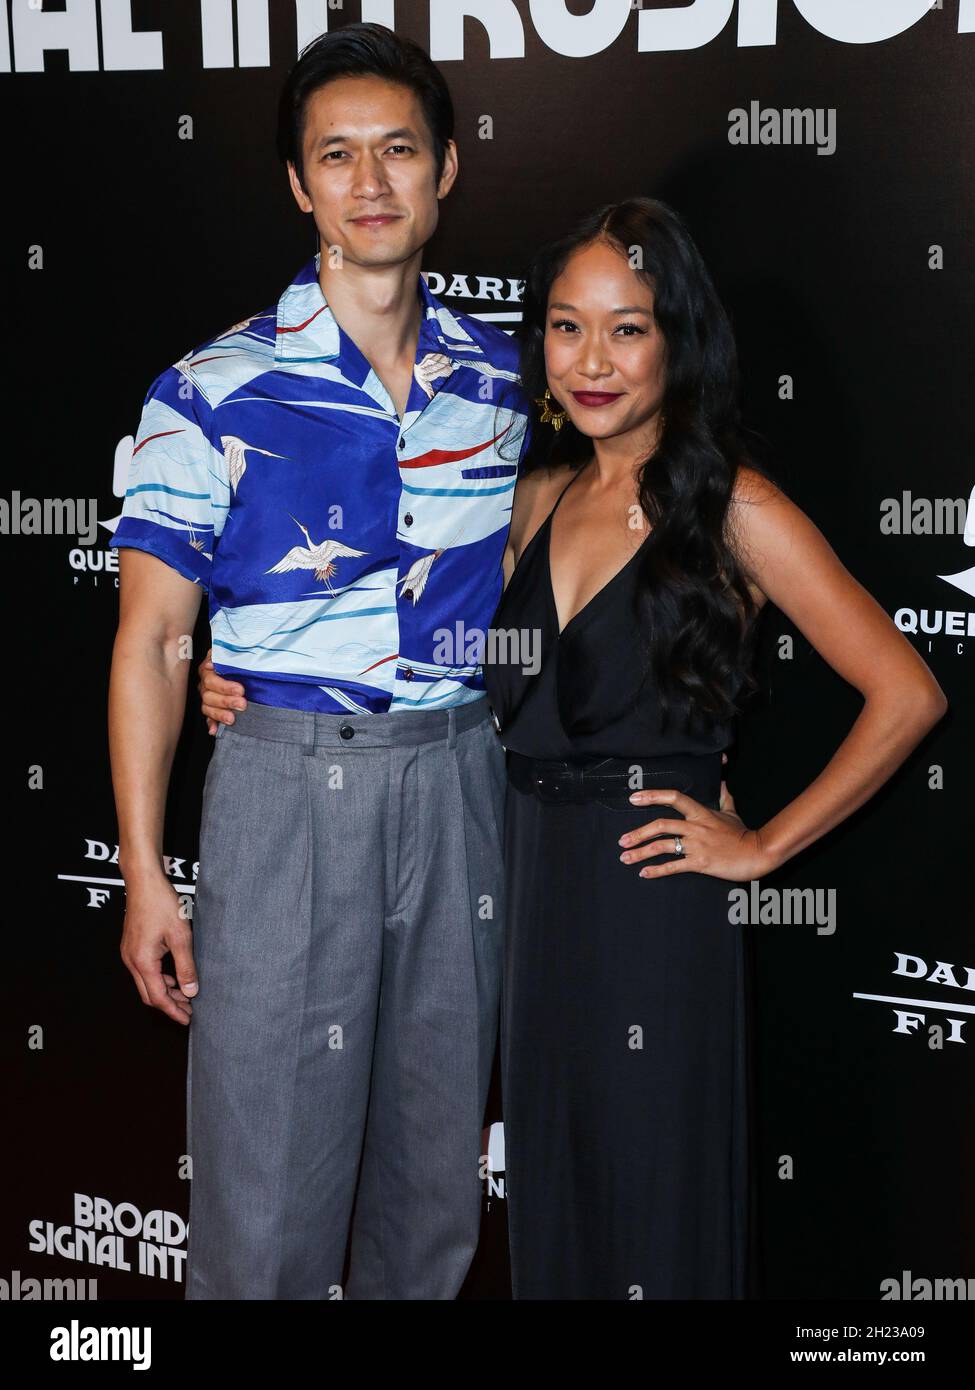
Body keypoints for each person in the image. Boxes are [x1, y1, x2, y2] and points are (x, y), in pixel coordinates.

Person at [205, 196, 948, 1300]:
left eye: (627, 327)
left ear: (677, 339)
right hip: (528, 891)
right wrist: (255, 678)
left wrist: (764, 844)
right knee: (557, 1197)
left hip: (655, 908)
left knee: (653, 1199)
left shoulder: (737, 508)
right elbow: (412, 629)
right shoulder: (533, 496)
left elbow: (907, 692)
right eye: (565, 326)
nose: (591, 359)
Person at [108, 23, 531, 1300]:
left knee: (432, 1196)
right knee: (267, 1204)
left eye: (398, 149)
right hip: (288, 794)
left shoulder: (510, 379)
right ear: (301, 185)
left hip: (462, 786)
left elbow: (601, 552)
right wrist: (144, 870)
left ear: (446, 167)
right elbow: (149, 642)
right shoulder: (211, 391)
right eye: (335, 156)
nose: (370, 182)